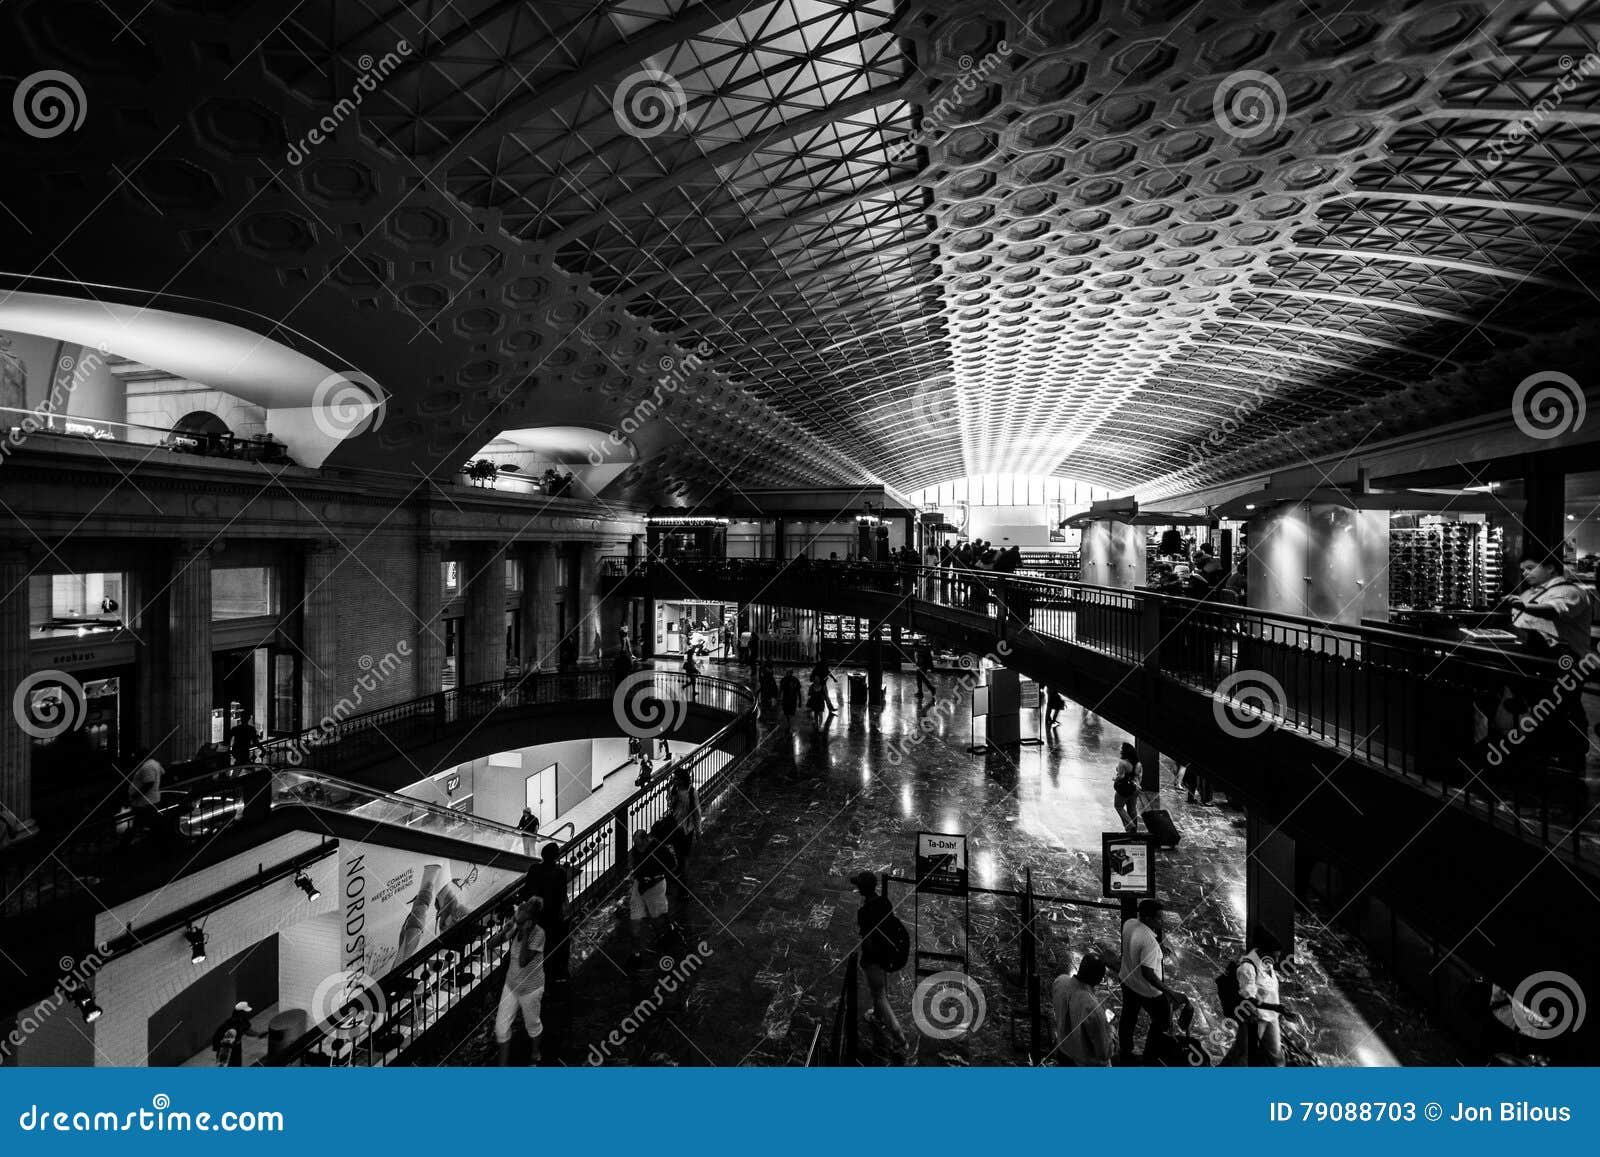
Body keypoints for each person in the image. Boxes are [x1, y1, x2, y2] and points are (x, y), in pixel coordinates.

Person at [1508, 550, 1596, 762]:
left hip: (1566, 661)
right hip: (1535, 659)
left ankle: (1573, 752)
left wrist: (1523, 606)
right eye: (1522, 570)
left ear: (1550, 568)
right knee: (1542, 705)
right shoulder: (1528, 593)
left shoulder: (1570, 591)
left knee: (1564, 705)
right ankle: (1547, 747)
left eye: (1530, 568)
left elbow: (1554, 610)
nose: (1525, 574)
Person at [1118, 898, 1189, 1064]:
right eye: (1158, 917)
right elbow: (1148, 973)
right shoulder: (1149, 942)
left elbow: (1134, 946)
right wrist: (1170, 992)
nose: (1162, 920)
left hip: (1127, 981)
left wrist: (1157, 951)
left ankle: (1125, 1052)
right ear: (1148, 919)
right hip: (1148, 991)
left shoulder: (1129, 924)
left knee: (1128, 1017)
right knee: (1162, 1021)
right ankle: (1151, 1055)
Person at [850, 871, 909, 1051]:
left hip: (873, 960)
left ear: (861, 889)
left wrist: (866, 960)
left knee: (879, 995)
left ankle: (899, 1038)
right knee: (879, 990)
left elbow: (867, 941)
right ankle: (876, 1014)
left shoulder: (863, 912)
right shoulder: (884, 901)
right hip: (887, 954)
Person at [1221, 932, 1287, 1067]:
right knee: (1244, 1055)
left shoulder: (1267, 961)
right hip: (1254, 1018)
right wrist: (1275, 1007)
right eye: (1275, 955)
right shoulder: (1247, 967)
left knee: (1276, 1054)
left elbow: (1269, 988)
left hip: (1271, 1017)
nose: (1278, 959)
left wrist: (1277, 1009)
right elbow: (1249, 999)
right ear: (1264, 951)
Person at [494, 899, 546, 1065]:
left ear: (530, 922)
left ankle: (535, 1054)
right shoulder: (517, 926)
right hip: (511, 985)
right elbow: (490, 945)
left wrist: (526, 934)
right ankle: (502, 1066)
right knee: (501, 1029)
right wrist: (505, 931)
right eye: (517, 919)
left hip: (530, 989)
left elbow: (523, 961)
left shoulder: (539, 934)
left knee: (532, 1025)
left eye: (520, 921)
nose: (517, 922)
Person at [523, 844, 575, 985]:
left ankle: (538, 976)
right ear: (556, 856)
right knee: (558, 944)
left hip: (537, 916)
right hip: (553, 916)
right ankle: (557, 974)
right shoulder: (560, 873)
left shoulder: (534, 869)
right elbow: (562, 895)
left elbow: (527, 891)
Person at [1051, 954, 1112, 1066]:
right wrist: (1111, 1030)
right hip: (1083, 1064)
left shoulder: (1060, 981)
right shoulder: (1092, 1008)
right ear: (1098, 979)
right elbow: (1104, 1053)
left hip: (1062, 1051)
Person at [628, 828, 673, 949]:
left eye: (641, 845)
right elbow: (633, 865)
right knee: (637, 917)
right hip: (641, 885)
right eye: (636, 845)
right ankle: (637, 951)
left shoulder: (659, 849)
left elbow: (672, 864)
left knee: (658, 915)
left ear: (646, 840)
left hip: (655, 885)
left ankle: (666, 933)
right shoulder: (636, 851)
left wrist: (654, 874)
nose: (639, 848)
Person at [125, 747, 168, 849]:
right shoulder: (155, 763)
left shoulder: (147, 767)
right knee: (149, 823)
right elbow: (163, 773)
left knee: (139, 823)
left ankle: (133, 845)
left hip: (144, 802)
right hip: (153, 799)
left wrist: (135, 795)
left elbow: (149, 783)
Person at [667, 765, 703, 877]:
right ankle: (681, 869)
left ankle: (684, 875)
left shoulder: (692, 792)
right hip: (676, 826)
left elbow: (697, 812)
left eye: (676, 778)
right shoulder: (675, 790)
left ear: (682, 779)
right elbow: (670, 805)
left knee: (685, 853)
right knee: (678, 851)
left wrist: (698, 830)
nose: (674, 780)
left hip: (687, 828)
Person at [211, 1001, 266, 1067]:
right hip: (228, 1048)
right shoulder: (231, 1027)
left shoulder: (242, 1020)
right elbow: (225, 1048)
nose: (248, 1013)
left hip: (236, 1047)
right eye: (245, 1011)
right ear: (240, 1013)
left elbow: (246, 1030)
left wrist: (258, 1034)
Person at [1112, 742, 1142, 833]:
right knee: (1132, 809)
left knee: (1118, 806)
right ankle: (1133, 830)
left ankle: (1130, 824)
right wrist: (1137, 785)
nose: (1120, 749)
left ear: (1125, 751)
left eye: (1121, 748)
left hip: (1124, 788)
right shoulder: (1138, 763)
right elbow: (1139, 776)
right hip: (1135, 788)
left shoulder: (1122, 762)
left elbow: (1121, 776)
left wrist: (1115, 779)